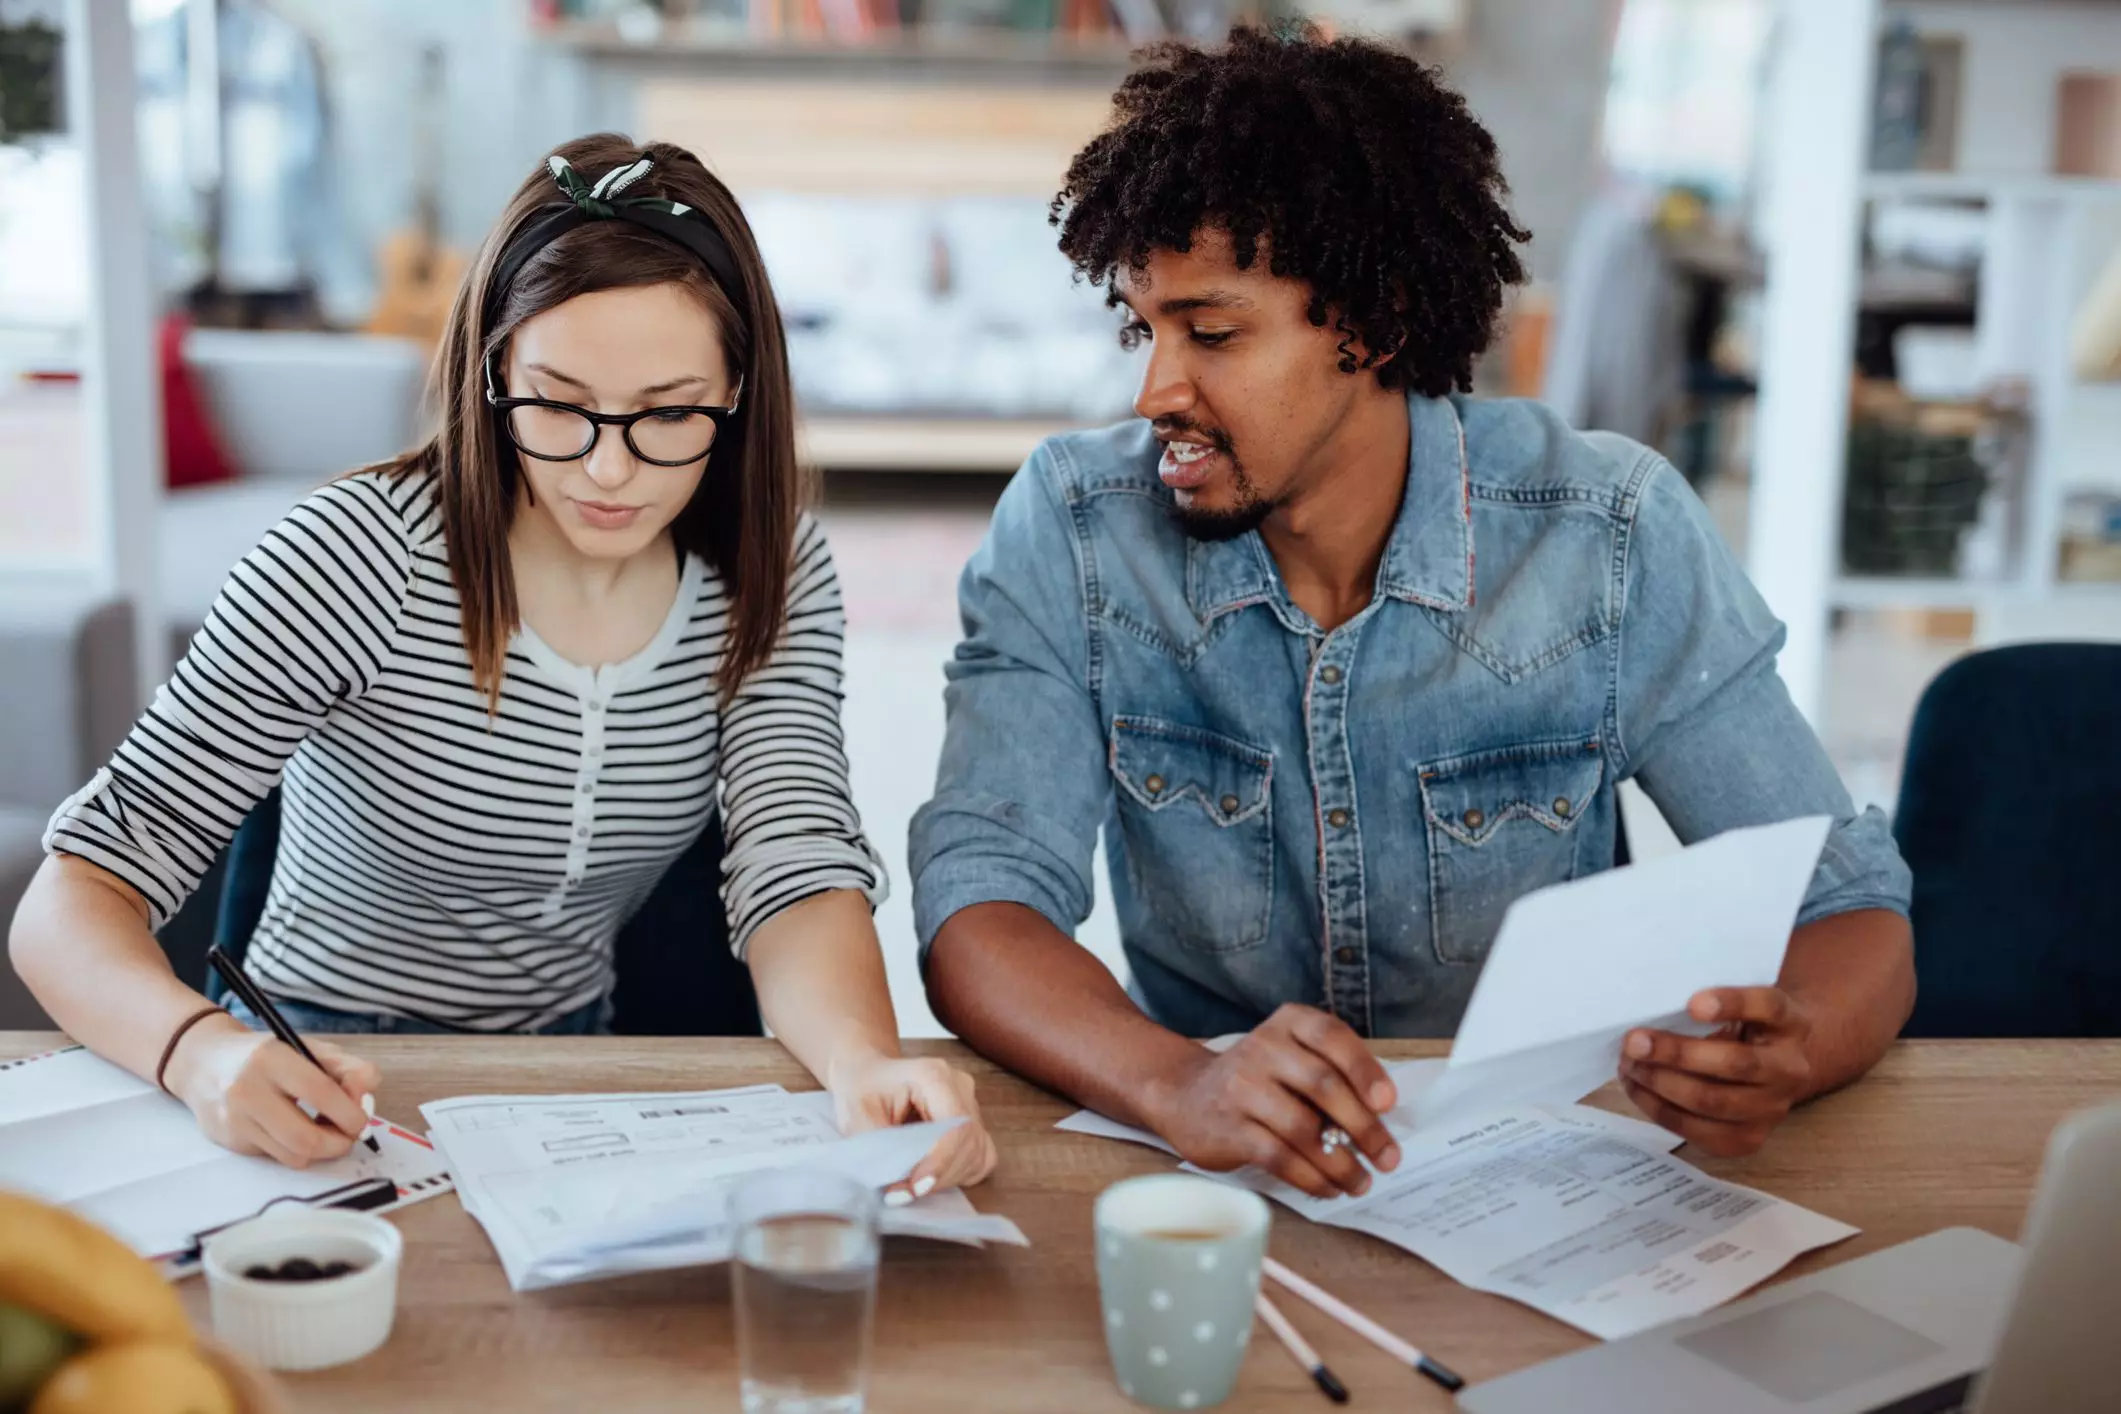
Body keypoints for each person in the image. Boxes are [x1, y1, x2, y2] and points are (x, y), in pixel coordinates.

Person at [911, 28, 1912, 1200]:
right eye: (1146, 329)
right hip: (1223, 1187)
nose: (1155, 393)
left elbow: (1848, 912)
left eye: (1214, 334)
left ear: (1373, 324)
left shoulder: (1608, 534)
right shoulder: (1077, 530)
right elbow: (979, 903)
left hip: (1543, 1185)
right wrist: (1179, 1083)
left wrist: (1789, 1048)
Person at [10, 134, 995, 1196]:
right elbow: (71, 896)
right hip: (297, 1073)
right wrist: (200, 1054)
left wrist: (863, 1060)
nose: (608, 468)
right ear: (492, 371)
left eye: (669, 412)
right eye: (559, 404)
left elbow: (795, 861)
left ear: (742, 389)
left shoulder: (775, 567)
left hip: (570, 1078)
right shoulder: (354, 555)